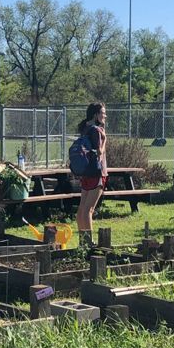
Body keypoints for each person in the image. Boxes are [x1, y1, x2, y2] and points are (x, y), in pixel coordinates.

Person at [74, 103, 108, 247]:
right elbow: (100, 152)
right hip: (97, 172)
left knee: (82, 208)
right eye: (102, 113)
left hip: (86, 173)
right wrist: (105, 139)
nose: (104, 116)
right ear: (96, 115)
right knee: (89, 209)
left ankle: (83, 242)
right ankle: (89, 242)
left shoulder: (85, 128)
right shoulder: (96, 130)